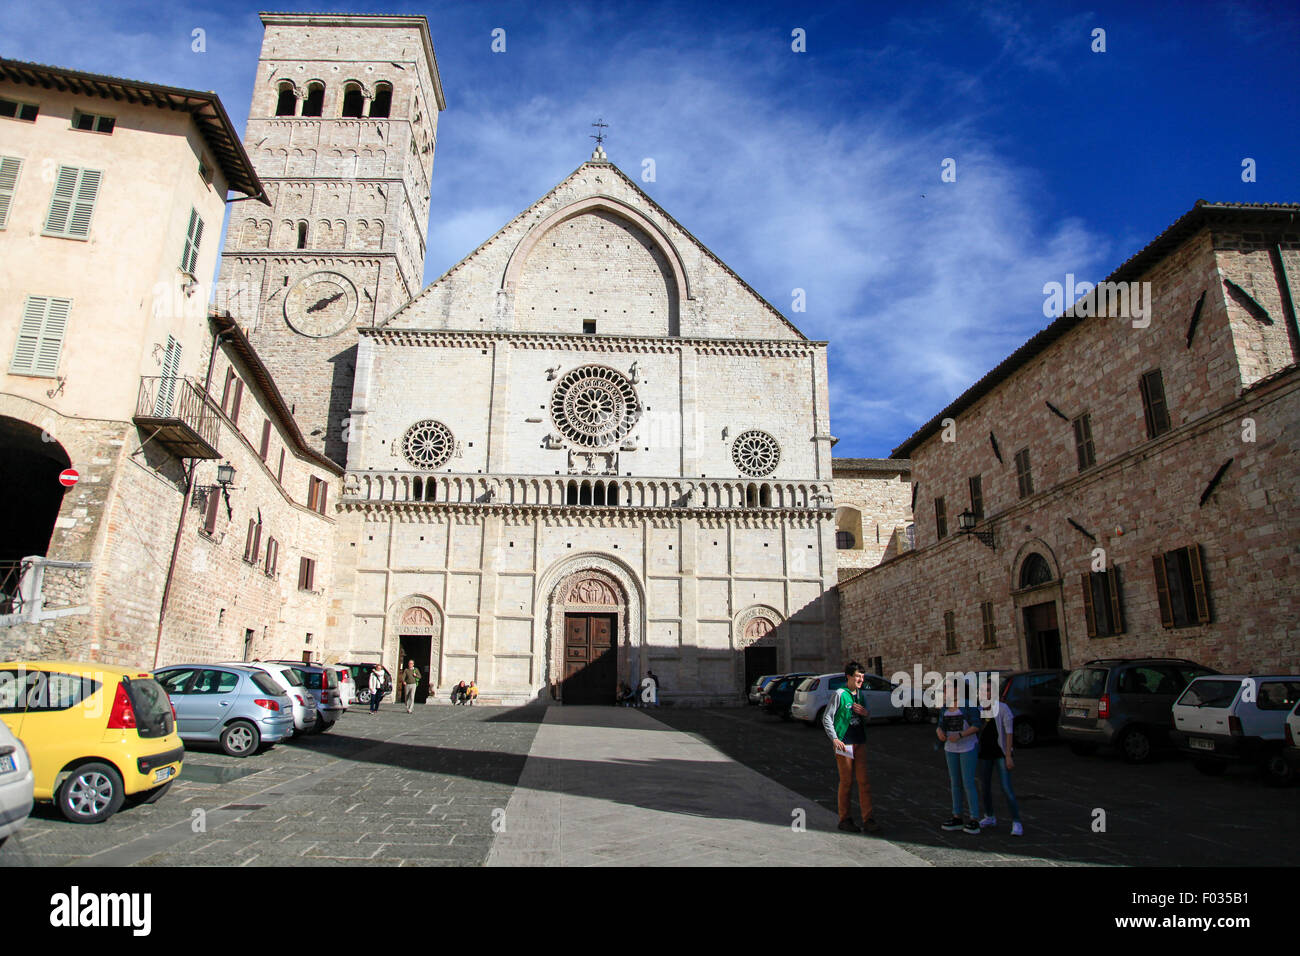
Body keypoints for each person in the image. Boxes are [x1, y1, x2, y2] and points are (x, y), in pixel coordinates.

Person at [823, 661, 881, 834]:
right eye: (857, 676)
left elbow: (867, 717)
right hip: (845, 743)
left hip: (859, 741)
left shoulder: (861, 695)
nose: (860, 679)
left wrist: (866, 713)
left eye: (862, 676)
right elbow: (827, 717)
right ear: (848, 677)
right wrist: (834, 738)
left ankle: (868, 819)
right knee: (847, 781)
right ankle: (845, 819)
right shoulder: (840, 694)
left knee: (864, 782)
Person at [937, 679, 983, 834]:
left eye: (949, 688)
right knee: (955, 782)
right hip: (950, 748)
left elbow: (977, 725)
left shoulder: (968, 705)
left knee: (968, 782)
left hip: (967, 747)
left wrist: (961, 735)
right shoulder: (945, 707)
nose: (947, 691)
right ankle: (957, 816)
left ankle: (974, 818)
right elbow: (940, 725)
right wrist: (939, 732)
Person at [977, 696, 1023, 835]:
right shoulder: (979, 709)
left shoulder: (1003, 708)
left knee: (1006, 787)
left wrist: (1008, 756)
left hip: (1001, 753)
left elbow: (1009, 733)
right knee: (984, 786)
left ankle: (1016, 821)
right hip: (984, 753)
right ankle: (989, 816)